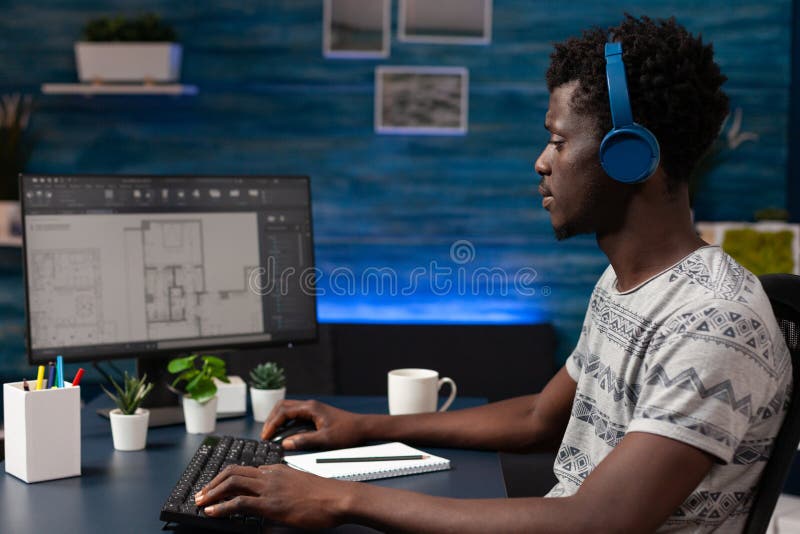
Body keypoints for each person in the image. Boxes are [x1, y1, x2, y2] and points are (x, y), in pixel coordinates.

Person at [194, 15, 792, 532]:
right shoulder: (625, 285)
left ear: (628, 155)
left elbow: (600, 521)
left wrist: (341, 498)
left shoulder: (712, 322)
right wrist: (364, 427)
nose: (542, 162)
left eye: (558, 141)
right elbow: (538, 418)